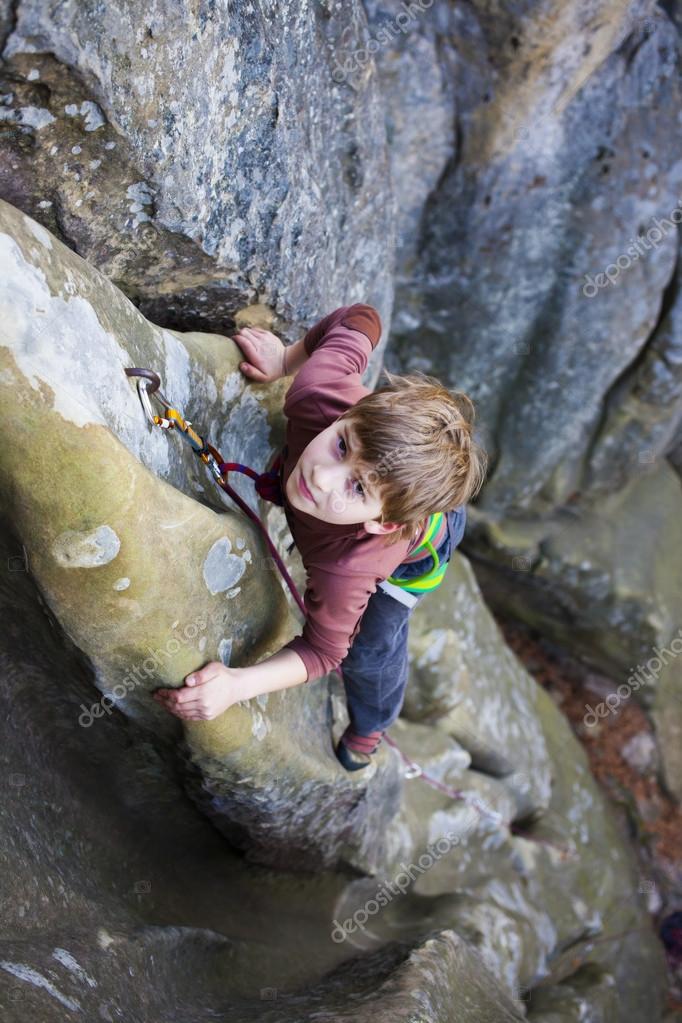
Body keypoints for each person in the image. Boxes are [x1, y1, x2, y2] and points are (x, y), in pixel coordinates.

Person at [153, 304, 487, 772]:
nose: (324, 477)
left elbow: (325, 651)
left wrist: (236, 685)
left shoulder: (349, 566)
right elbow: (362, 319)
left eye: (356, 488)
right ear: (349, 415)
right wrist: (287, 360)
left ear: (382, 523)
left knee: (372, 647)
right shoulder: (319, 394)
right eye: (342, 445)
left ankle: (371, 726)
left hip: (419, 554)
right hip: (398, 490)